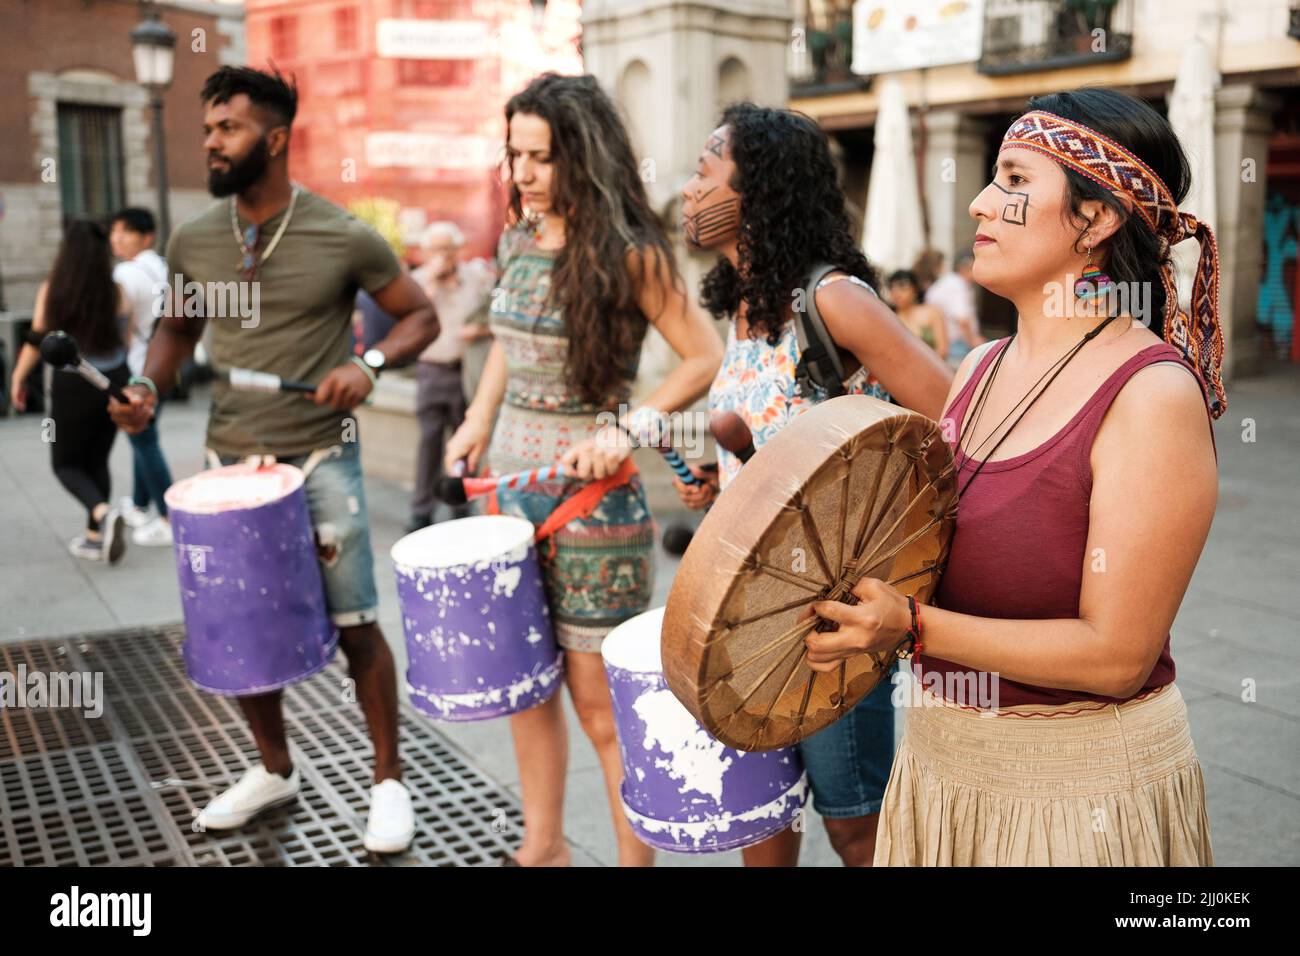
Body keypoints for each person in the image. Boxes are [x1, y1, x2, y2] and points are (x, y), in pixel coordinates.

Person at [805, 88, 1222, 866]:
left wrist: (911, 625)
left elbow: (1116, 656)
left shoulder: (1150, 395)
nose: (978, 202)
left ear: (1096, 220)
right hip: (944, 770)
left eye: (1015, 181)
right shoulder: (979, 366)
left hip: (1076, 798)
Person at [108, 66, 440, 854]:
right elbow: (178, 334)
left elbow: (418, 317)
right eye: (208, 130)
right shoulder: (193, 238)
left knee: (358, 624)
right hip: (229, 459)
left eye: (228, 129)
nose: (212, 144)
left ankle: (388, 781)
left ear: (277, 138)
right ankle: (273, 768)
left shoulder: (341, 232)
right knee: (239, 630)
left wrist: (370, 367)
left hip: (323, 454)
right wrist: (146, 388)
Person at [444, 73, 722, 867]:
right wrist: (475, 418)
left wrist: (628, 427)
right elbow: (505, 340)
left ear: (583, 157)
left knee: (601, 710)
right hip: (505, 494)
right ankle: (543, 850)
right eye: (515, 155)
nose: (523, 173)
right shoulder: (516, 238)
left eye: (541, 158)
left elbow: (701, 355)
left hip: (594, 506)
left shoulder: (632, 253)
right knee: (523, 688)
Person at [672, 104, 952, 867]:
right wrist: (717, 479)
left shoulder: (832, 300)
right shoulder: (738, 305)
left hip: (832, 604)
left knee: (855, 821)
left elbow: (953, 415)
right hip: (747, 603)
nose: (688, 190)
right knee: (761, 820)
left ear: (759, 191)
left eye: (704, 172)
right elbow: (763, 441)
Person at [10, 220, 132, 564]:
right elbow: (128, 337)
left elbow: (38, 340)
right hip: (114, 381)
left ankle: (102, 512)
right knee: (97, 459)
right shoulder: (116, 290)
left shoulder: (53, 290)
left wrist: (18, 377)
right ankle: (96, 536)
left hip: (74, 381)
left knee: (65, 464)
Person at [407, 221, 496, 532]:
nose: (442, 256)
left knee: (467, 440)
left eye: (447, 249)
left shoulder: (477, 278)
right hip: (432, 370)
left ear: (458, 250)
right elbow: (411, 320)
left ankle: (461, 505)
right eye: (435, 250)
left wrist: (480, 330)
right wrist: (432, 282)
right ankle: (421, 512)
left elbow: (498, 317)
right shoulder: (417, 282)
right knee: (429, 444)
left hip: (467, 370)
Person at [109, 207, 176, 546]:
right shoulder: (165, 268)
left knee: (143, 440)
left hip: (137, 368)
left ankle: (169, 517)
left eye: (125, 232)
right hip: (165, 366)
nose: (116, 239)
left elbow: (117, 324)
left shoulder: (126, 273)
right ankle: (139, 505)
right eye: (114, 232)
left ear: (146, 236)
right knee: (143, 435)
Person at [925, 252, 983, 365]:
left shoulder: (945, 282)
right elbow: (962, 319)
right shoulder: (958, 285)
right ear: (965, 268)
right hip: (957, 346)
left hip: (943, 344)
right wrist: (975, 342)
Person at [886, 270, 950, 360]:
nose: (897, 293)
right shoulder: (890, 318)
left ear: (915, 289)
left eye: (902, 287)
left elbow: (942, 349)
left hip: (933, 368)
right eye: (892, 288)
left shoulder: (931, 312)